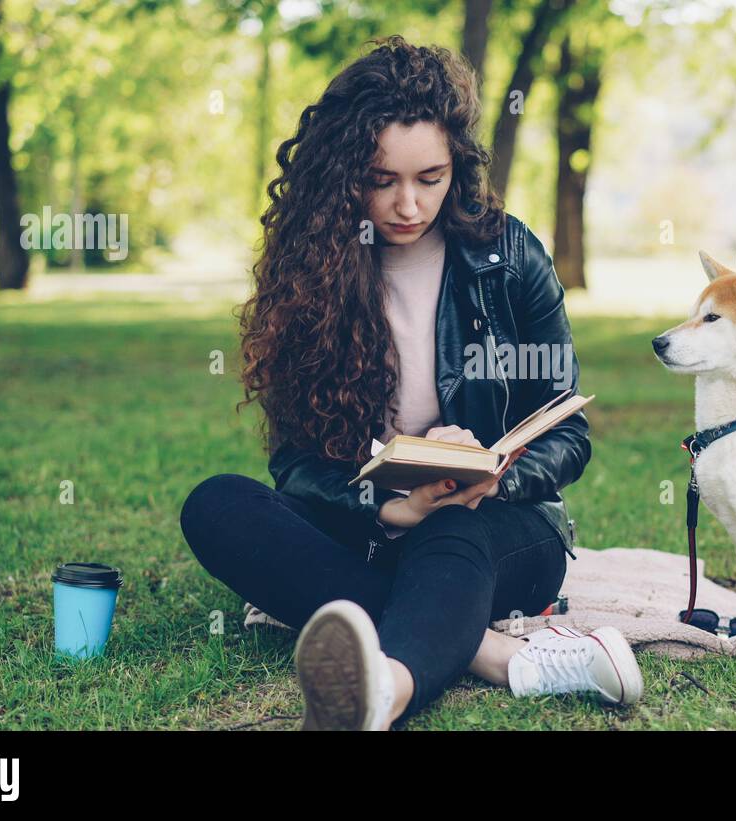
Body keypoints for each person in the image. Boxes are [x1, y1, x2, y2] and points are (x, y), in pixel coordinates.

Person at [179, 35, 642, 730]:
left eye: (430, 178)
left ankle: (384, 689)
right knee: (216, 505)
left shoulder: (509, 256)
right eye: (381, 179)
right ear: (344, 174)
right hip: (370, 522)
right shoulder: (312, 271)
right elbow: (295, 465)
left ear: (457, 163)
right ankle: (493, 652)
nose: (407, 204)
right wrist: (385, 508)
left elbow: (568, 432)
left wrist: (496, 478)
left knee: (449, 529)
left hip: (498, 525)